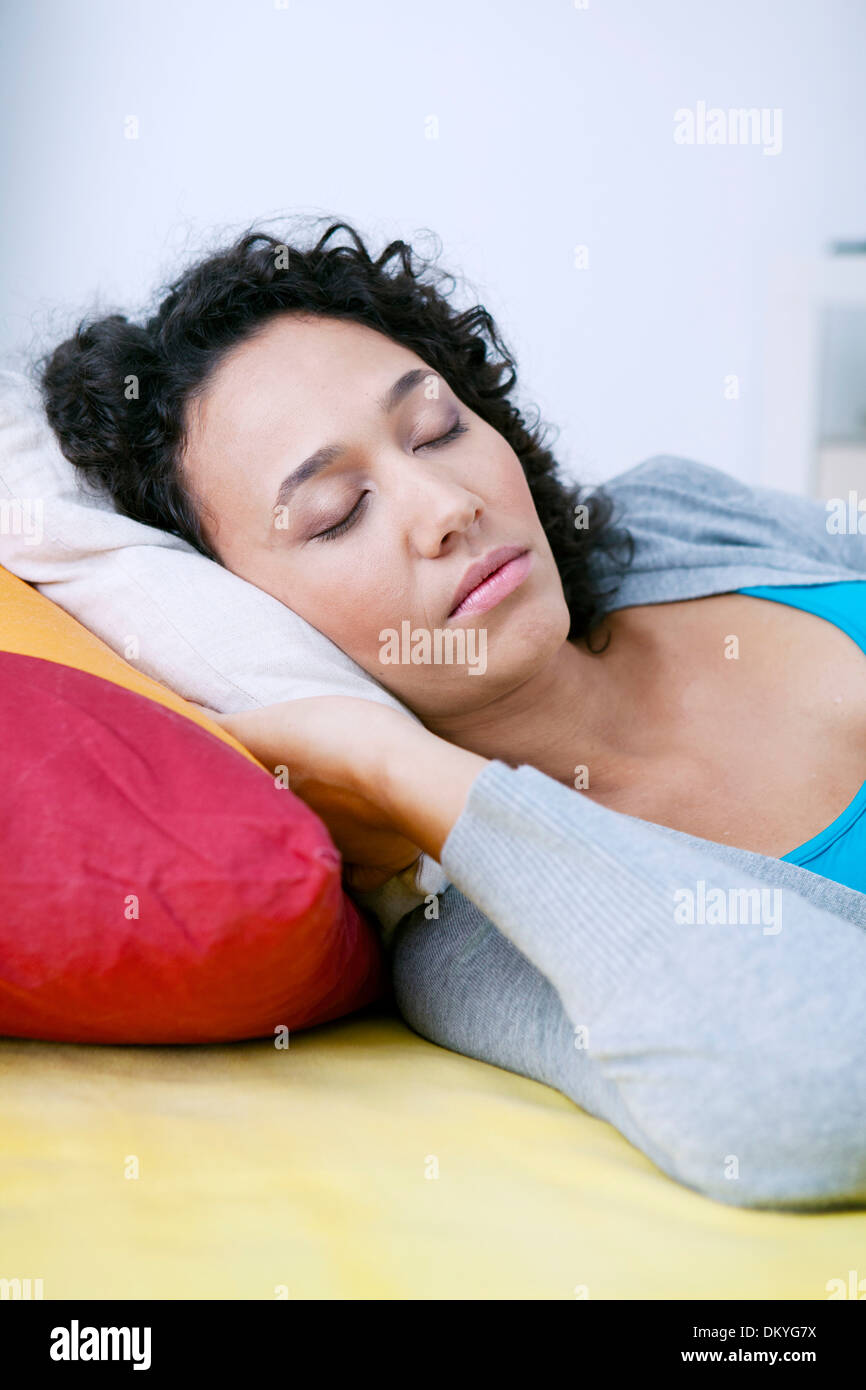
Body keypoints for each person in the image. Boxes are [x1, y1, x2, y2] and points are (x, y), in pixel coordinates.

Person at [38, 218, 866, 1209]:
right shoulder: (481, 937)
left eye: (436, 427)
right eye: (337, 512)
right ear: (255, 614)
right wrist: (396, 765)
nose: (444, 506)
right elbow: (819, 1100)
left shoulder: (676, 521)